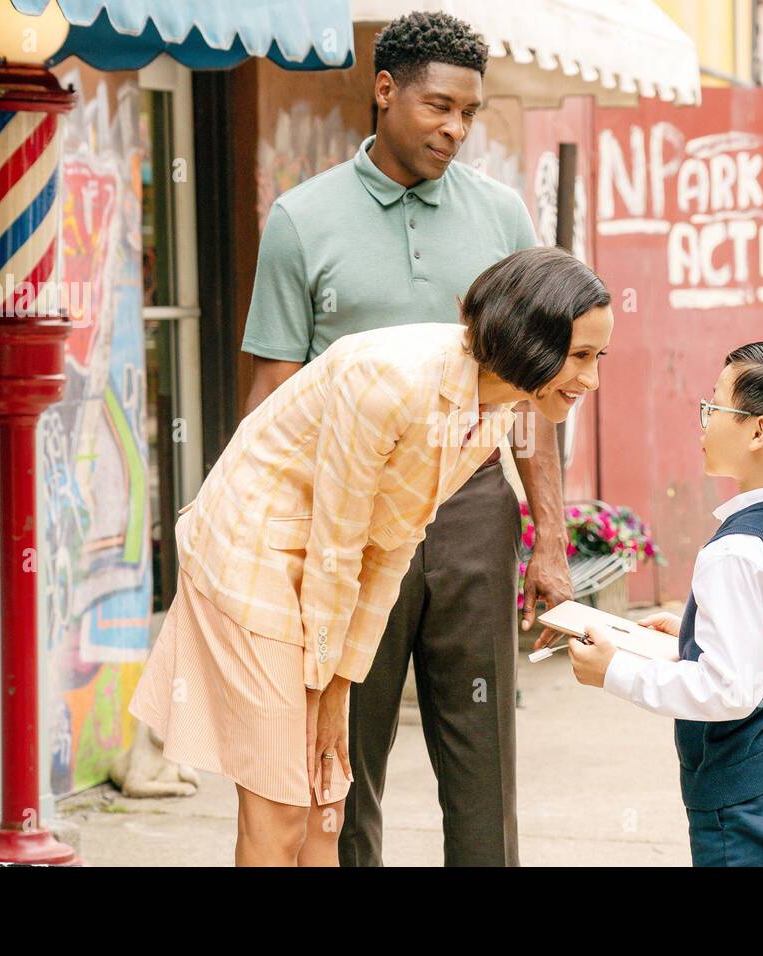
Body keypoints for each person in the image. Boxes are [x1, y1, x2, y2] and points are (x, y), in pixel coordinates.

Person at [129, 247, 613, 866]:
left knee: (326, 809)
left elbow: (392, 547)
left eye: (598, 358)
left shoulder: (495, 407)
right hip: (252, 553)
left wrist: (337, 689)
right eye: (580, 357)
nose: (591, 380)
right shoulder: (391, 381)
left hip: (323, 558)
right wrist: (331, 690)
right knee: (281, 814)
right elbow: (339, 548)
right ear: (530, 336)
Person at [239, 11, 573, 867]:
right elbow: (271, 395)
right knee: (341, 757)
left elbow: (532, 391)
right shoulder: (302, 221)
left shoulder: (501, 216)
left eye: (470, 112)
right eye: (438, 107)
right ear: (384, 91)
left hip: (470, 512)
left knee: (482, 755)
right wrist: (262, 552)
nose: (455, 130)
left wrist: (551, 542)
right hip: (341, 527)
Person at [562, 341, 763, 867]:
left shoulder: (734, 551)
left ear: (760, 431)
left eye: (714, 406)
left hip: (742, 788)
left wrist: (615, 670)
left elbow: (731, 690)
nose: (704, 421)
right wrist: (693, 636)